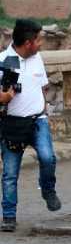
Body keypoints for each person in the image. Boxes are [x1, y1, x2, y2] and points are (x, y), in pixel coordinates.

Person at [0, 19, 60, 232]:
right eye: (38, 40)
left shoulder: (37, 58)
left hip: (37, 121)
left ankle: (48, 190)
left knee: (48, 157)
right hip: (12, 125)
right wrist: (4, 97)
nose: (41, 44)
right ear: (27, 43)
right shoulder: (4, 61)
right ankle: (8, 215)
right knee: (9, 173)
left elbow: (42, 86)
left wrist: (42, 109)